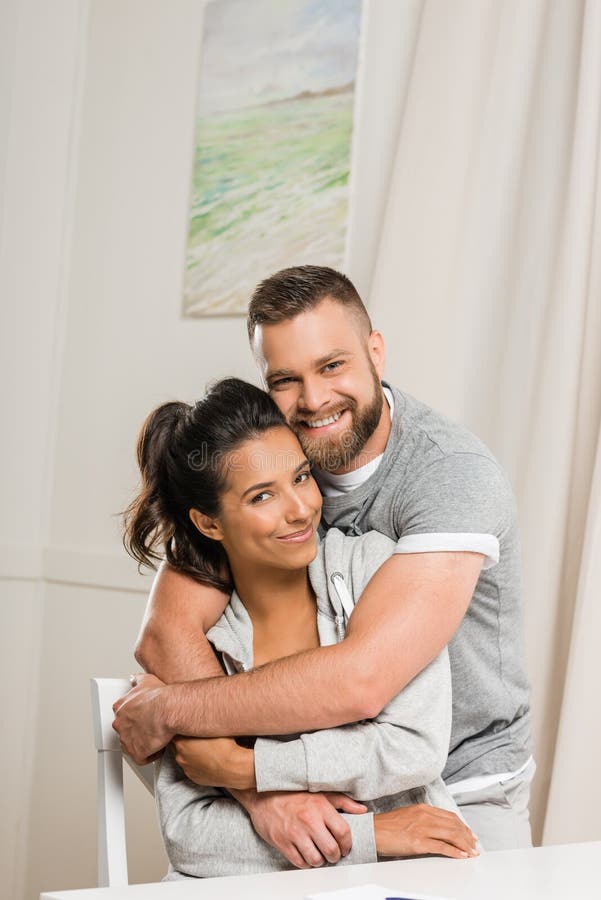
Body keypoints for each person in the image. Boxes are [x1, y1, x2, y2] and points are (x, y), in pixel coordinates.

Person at [113, 266, 533, 856]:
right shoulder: (264, 466)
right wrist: (265, 793)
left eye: (332, 365)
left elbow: (363, 680)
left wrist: (217, 744)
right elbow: (167, 631)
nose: (312, 400)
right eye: (285, 379)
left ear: (376, 352)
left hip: (460, 781)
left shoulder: (449, 476)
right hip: (315, 780)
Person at [122, 378, 478, 878]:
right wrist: (372, 836)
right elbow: (192, 839)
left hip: (404, 881)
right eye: (263, 496)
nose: (300, 509)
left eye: (302, 477)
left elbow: (411, 749)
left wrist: (246, 767)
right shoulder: (197, 649)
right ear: (209, 524)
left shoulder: (372, 569)